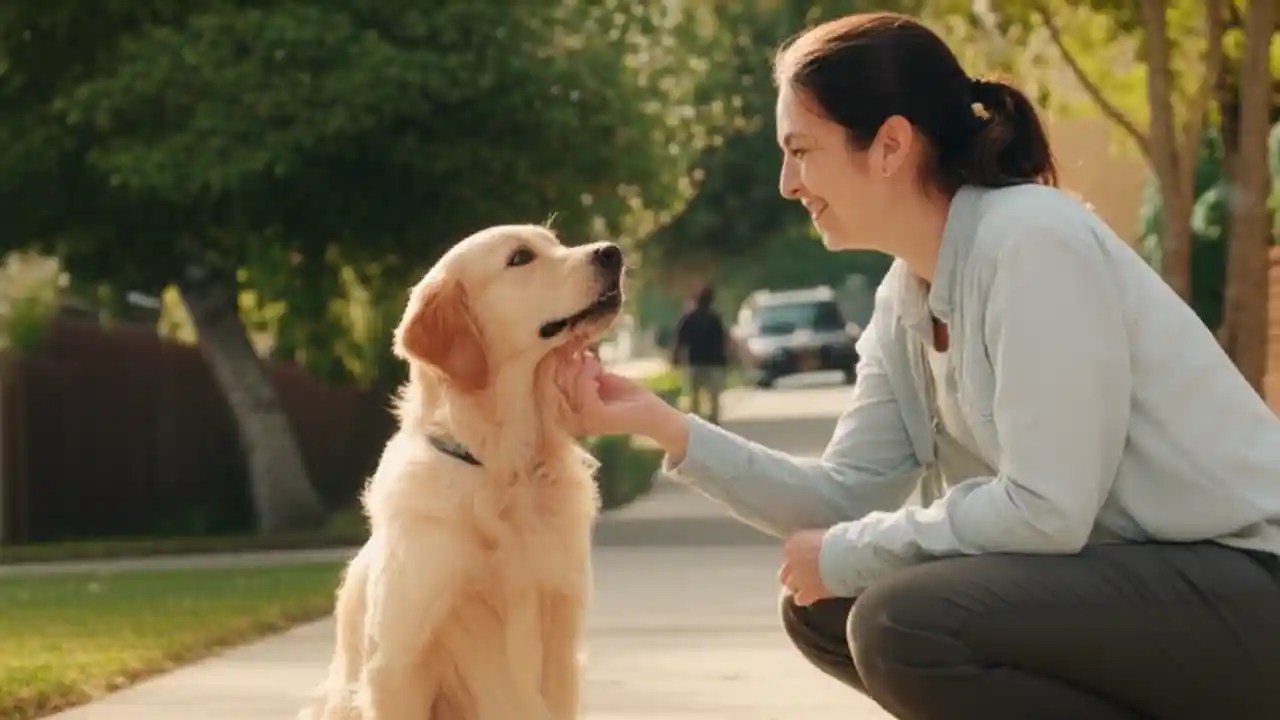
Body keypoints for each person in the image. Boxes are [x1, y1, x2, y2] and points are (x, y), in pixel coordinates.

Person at [558, 11, 1280, 720]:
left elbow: (1048, 509)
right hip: (1137, 586)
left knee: (902, 622)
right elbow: (843, 500)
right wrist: (665, 427)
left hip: (1246, 585)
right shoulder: (906, 294)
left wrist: (848, 551)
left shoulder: (1031, 242)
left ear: (890, 145)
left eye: (801, 150)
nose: (787, 182)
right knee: (828, 608)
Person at [670, 285, 730, 424]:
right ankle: (714, 422)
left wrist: (675, 358)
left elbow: (680, 341)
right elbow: (724, 340)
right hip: (715, 363)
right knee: (713, 397)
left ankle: (697, 423)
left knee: (695, 395)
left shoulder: (689, 318)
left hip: (695, 362)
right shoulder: (715, 318)